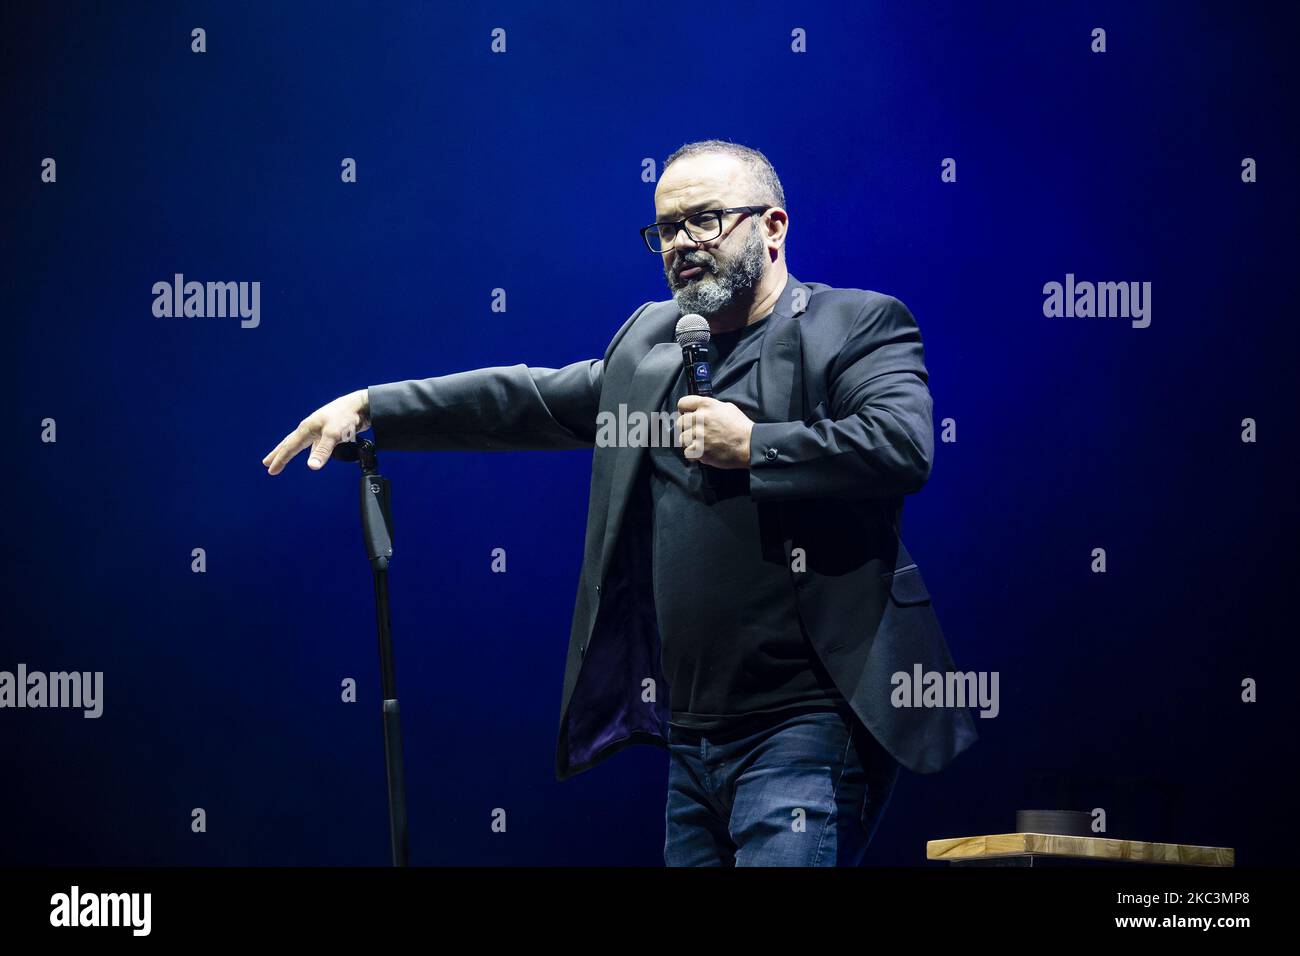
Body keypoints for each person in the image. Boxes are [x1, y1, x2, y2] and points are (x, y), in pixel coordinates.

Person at [263, 139, 977, 866]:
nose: (681, 244)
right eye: (665, 229)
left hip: (810, 721)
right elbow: (525, 399)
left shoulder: (854, 324)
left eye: (705, 220)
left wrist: (756, 444)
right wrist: (373, 405)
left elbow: (899, 445)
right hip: (693, 737)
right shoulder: (651, 344)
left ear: (773, 225)